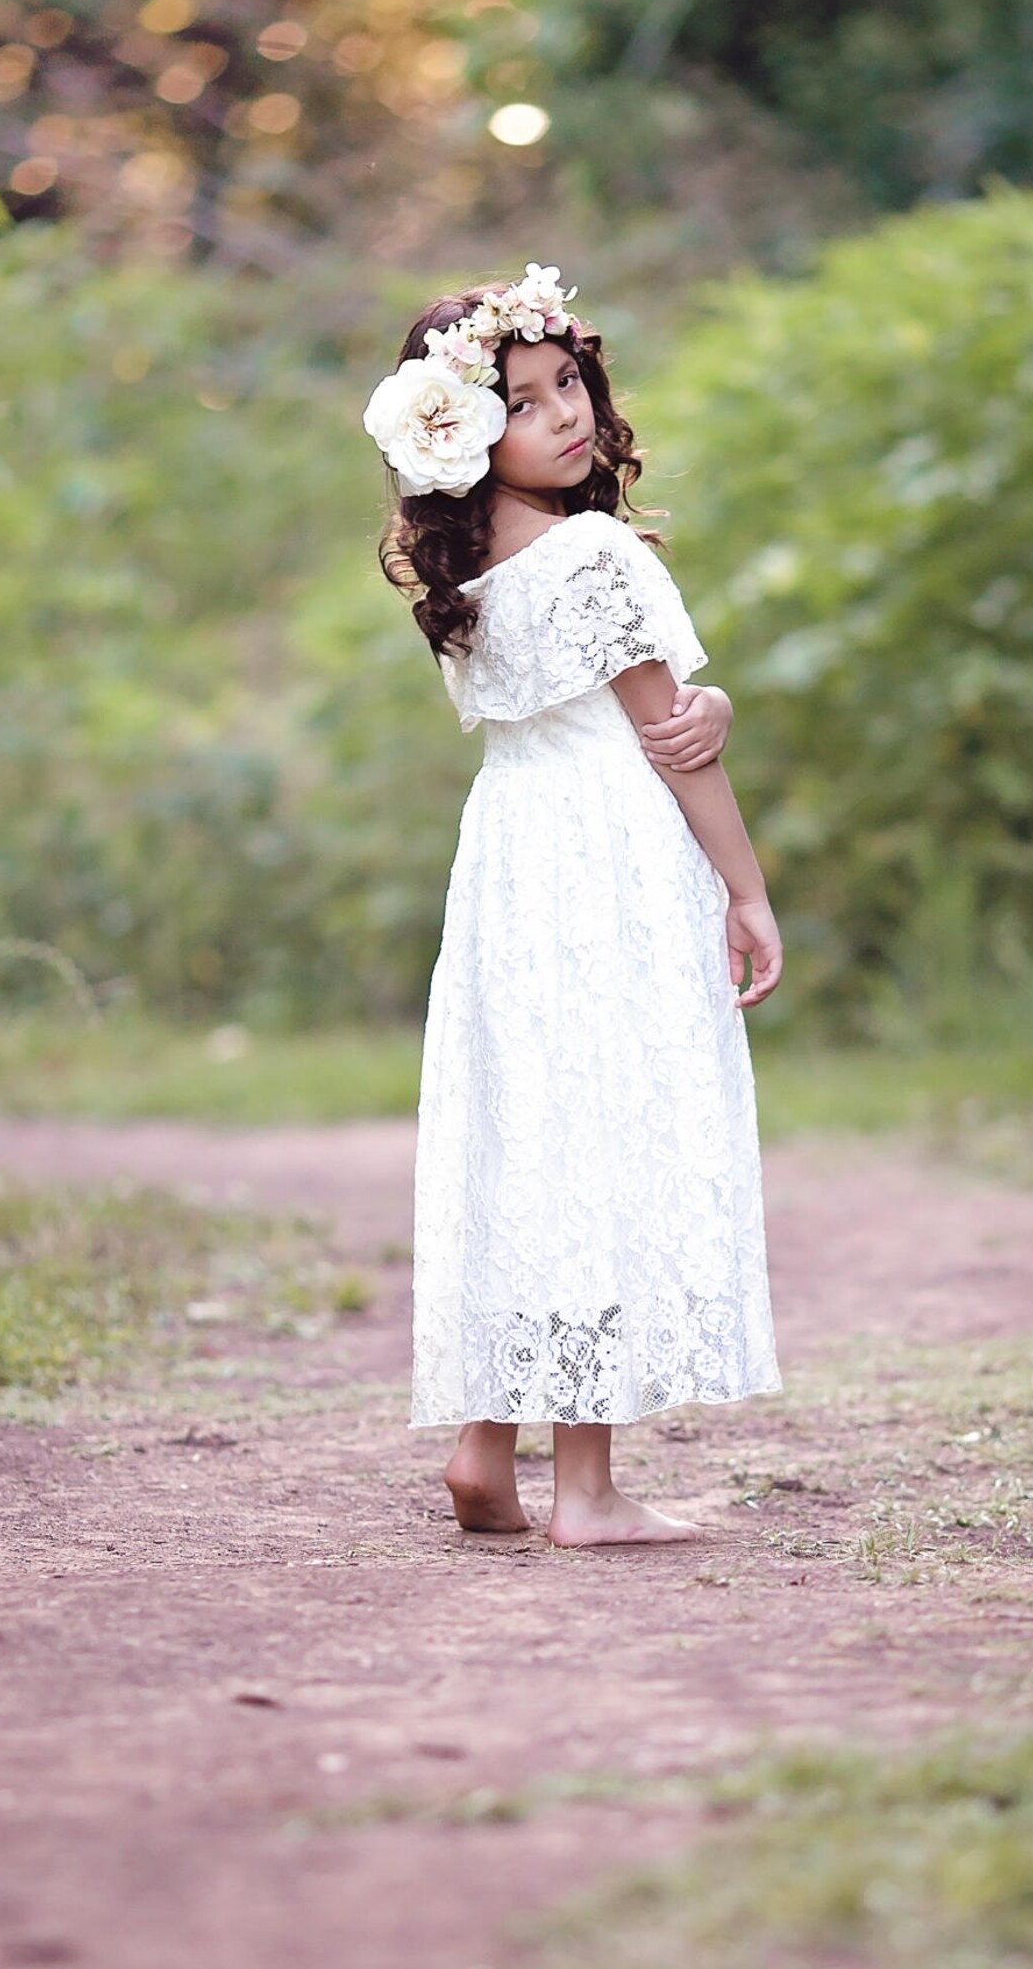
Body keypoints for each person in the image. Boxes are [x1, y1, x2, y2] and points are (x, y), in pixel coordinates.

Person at [364, 265, 782, 1546]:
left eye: (569, 385)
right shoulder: (595, 550)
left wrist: (689, 711)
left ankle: (488, 1447)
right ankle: (587, 1492)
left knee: (532, 1130)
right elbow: (672, 744)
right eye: (525, 400)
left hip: (510, 854)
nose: (564, 414)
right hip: (611, 855)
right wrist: (746, 888)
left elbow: (581, 707)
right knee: (600, 1130)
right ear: (467, 428)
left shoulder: (462, 573)